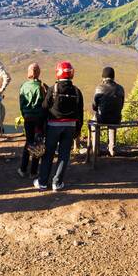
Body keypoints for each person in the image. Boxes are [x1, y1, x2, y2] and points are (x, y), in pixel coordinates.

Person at [36, 61, 83, 192]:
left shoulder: (53, 89)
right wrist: (78, 130)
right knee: (64, 155)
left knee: (48, 154)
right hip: (70, 127)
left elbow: (44, 110)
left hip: (53, 127)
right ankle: (57, 183)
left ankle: (42, 183)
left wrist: (39, 129)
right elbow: (80, 113)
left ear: (58, 73)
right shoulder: (77, 91)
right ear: (71, 73)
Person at [17, 63, 48, 179]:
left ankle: (23, 169)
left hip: (27, 118)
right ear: (39, 73)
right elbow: (46, 105)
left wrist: (24, 115)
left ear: (28, 73)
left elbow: (21, 104)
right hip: (39, 120)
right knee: (38, 143)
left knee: (28, 142)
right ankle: (33, 172)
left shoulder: (23, 86)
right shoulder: (42, 86)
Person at [92, 66, 126, 157]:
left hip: (102, 119)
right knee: (113, 120)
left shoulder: (99, 88)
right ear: (113, 77)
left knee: (93, 123)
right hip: (116, 119)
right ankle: (112, 149)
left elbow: (94, 107)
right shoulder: (120, 88)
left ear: (103, 77)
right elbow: (121, 106)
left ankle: (96, 149)